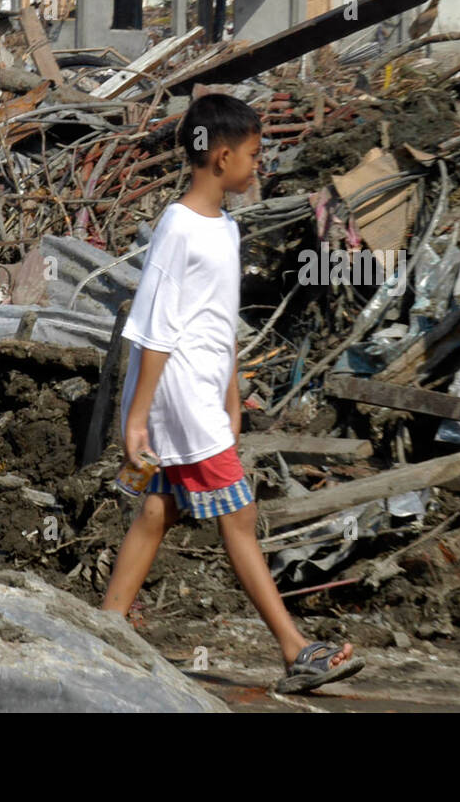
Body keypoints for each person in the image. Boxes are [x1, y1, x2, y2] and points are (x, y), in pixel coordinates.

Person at [101, 93, 364, 693]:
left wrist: (233, 387)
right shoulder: (179, 229)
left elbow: (217, 318)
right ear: (220, 157)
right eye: (253, 153)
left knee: (158, 508)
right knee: (239, 515)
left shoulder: (224, 226)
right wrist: (137, 418)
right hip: (177, 398)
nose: (259, 164)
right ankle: (296, 650)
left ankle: (107, 626)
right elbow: (155, 325)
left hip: (203, 391)